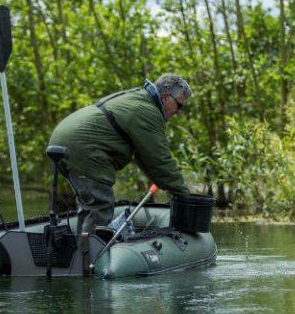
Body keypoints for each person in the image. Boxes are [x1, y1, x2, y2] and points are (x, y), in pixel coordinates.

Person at [48, 73, 191, 234]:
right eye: (180, 106)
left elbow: (146, 159)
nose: (179, 112)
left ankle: (82, 249)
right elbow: (160, 160)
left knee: (91, 205)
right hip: (83, 146)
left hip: (65, 140)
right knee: (100, 206)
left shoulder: (139, 98)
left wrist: (168, 187)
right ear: (165, 97)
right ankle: (92, 257)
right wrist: (185, 196)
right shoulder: (149, 112)